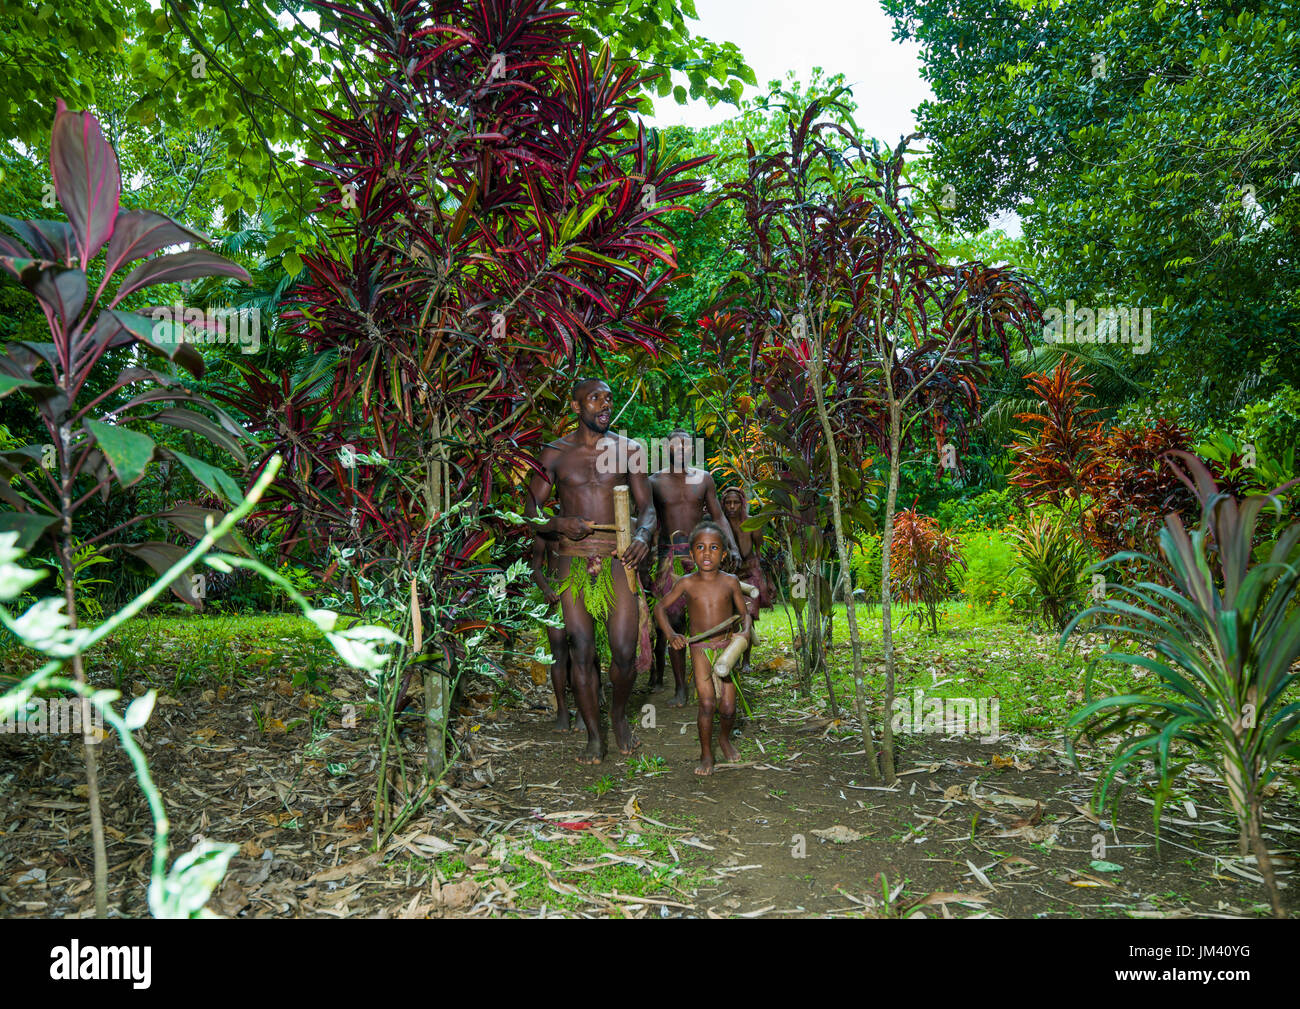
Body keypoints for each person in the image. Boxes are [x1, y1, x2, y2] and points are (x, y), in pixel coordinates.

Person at [527, 378, 655, 764]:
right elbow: (528, 512)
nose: (605, 404)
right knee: (580, 651)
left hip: (618, 557)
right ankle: (594, 736)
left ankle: (618, 716)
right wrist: (558, 524)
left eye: (608, 398)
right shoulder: (554, 453)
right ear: (576, 406)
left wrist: (644, 536)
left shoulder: (629, 450)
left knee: (623, 652)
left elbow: (647, 509)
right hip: (572, 559)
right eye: (595, 398)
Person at [649, 428, 739, 707]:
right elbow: (648, 519)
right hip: (669, 558)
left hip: (702, 558)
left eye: (688, 445)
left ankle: (712, 678)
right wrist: (648, 556)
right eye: (678, 445)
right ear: (667, 448)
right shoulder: (654, 482)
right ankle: (679, 687)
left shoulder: (704, 479)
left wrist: (731, 546)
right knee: (674, 623)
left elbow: (719, 516)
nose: (683, 449)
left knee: (709, 620)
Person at [654, 521, 751, 776]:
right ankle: (706, 754)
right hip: (699, 648)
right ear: (692, 553)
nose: (707, 553)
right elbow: (659, 608)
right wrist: (671, 633)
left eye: (713, 548)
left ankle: (724, 739)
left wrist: (744, 632)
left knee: (728, 708)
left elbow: (745, 613)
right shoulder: (686, 583)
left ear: (723, 554)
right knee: (707, 704)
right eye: (700, 547)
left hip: (726, 648)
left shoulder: (730, 582)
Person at [720, 485, 772, 677]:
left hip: (750, 574)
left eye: (736, 502)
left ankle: (746, 660)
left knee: (747, 616)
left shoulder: (753, 524)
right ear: (723, 505)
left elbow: (760, 553)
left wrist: (767, 581)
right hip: (727, 575)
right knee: (729, 618)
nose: (732, 506)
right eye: (728, 503)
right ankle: (731, 656)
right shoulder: (719, 525)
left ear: (742, 504)